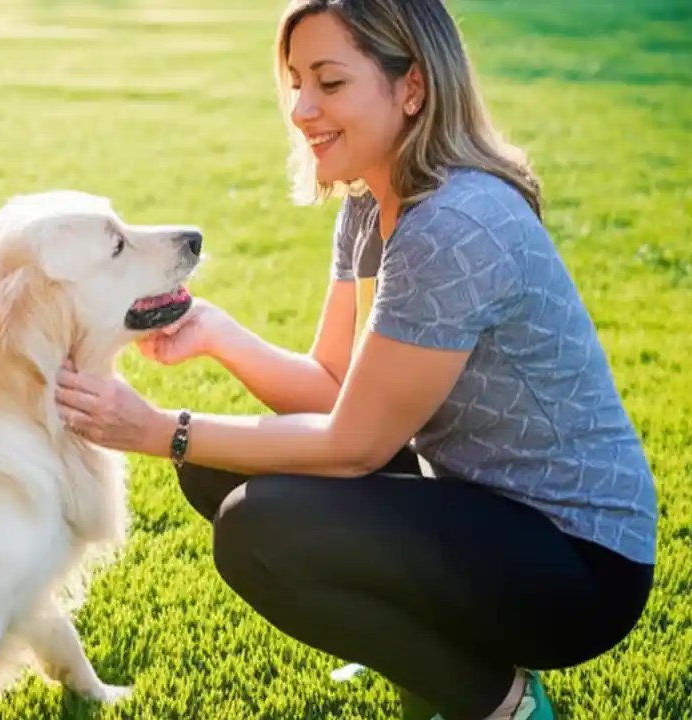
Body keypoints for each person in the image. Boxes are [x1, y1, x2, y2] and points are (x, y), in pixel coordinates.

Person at [52, 1, 658, 719]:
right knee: (219, 469)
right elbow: (334, 390)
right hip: (482, 509)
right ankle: (429, 674)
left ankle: (501, 703)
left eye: (330, 83)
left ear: (413, 87)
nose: (303, 108)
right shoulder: (371, 208)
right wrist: (215, 331)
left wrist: (160, 430)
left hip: (580, 562)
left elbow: (354, 445)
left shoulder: (455, 223)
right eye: (295, 81)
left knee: (256, 526)